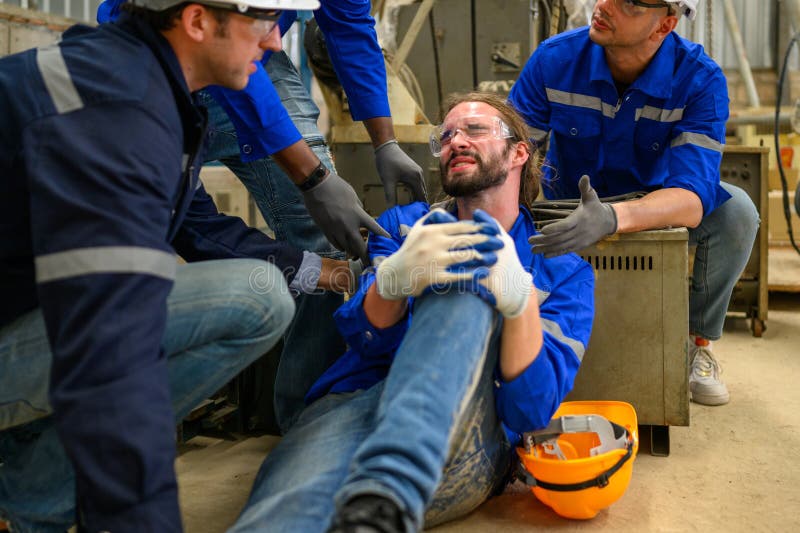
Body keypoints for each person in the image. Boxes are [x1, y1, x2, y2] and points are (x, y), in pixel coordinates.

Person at [0, 0, 356, 531]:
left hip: (20, 308)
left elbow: (201, 230)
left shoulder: (143, 88)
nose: (274, 42)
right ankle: (35, 500)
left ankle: (31, 497)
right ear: (196, 21)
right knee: (245, 306)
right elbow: (110, 348)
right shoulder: (122, 114)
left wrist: (330, 272)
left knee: (258, 292)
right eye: (262, 22)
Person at [227, 92, 595, 533]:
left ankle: (391, 479)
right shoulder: (406, 226)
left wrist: (516, 301)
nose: (456, 141)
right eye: (447, 136)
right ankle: (381, 499)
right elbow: (364, 339)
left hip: (471, 426)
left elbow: (529, 410)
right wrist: (396, 279)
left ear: (519, 152)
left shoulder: (563, 272)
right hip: (359, 403)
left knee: (462, 264)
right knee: (292, 505)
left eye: (474, 130)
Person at [94, 0, 428, 432]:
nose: (280, 38)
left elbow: (347, 28)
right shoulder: (127, 106)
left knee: (321, 234)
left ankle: (305, 420)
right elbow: (189, 227)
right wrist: (312, 178)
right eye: (272, 21)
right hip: (201, 42)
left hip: (233, 44)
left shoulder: (254, 46)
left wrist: (385, 140)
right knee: (253, 293)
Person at [510, 0, 759, 406]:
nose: (603, 5)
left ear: (664, 25)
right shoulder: (555, 60)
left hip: (655, 206)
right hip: (567, 205)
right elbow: (511, 159)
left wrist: (614, 217)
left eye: (628, 2)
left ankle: (698, 342)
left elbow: (693, 196)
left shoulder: (698, 79)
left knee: (737, 213)